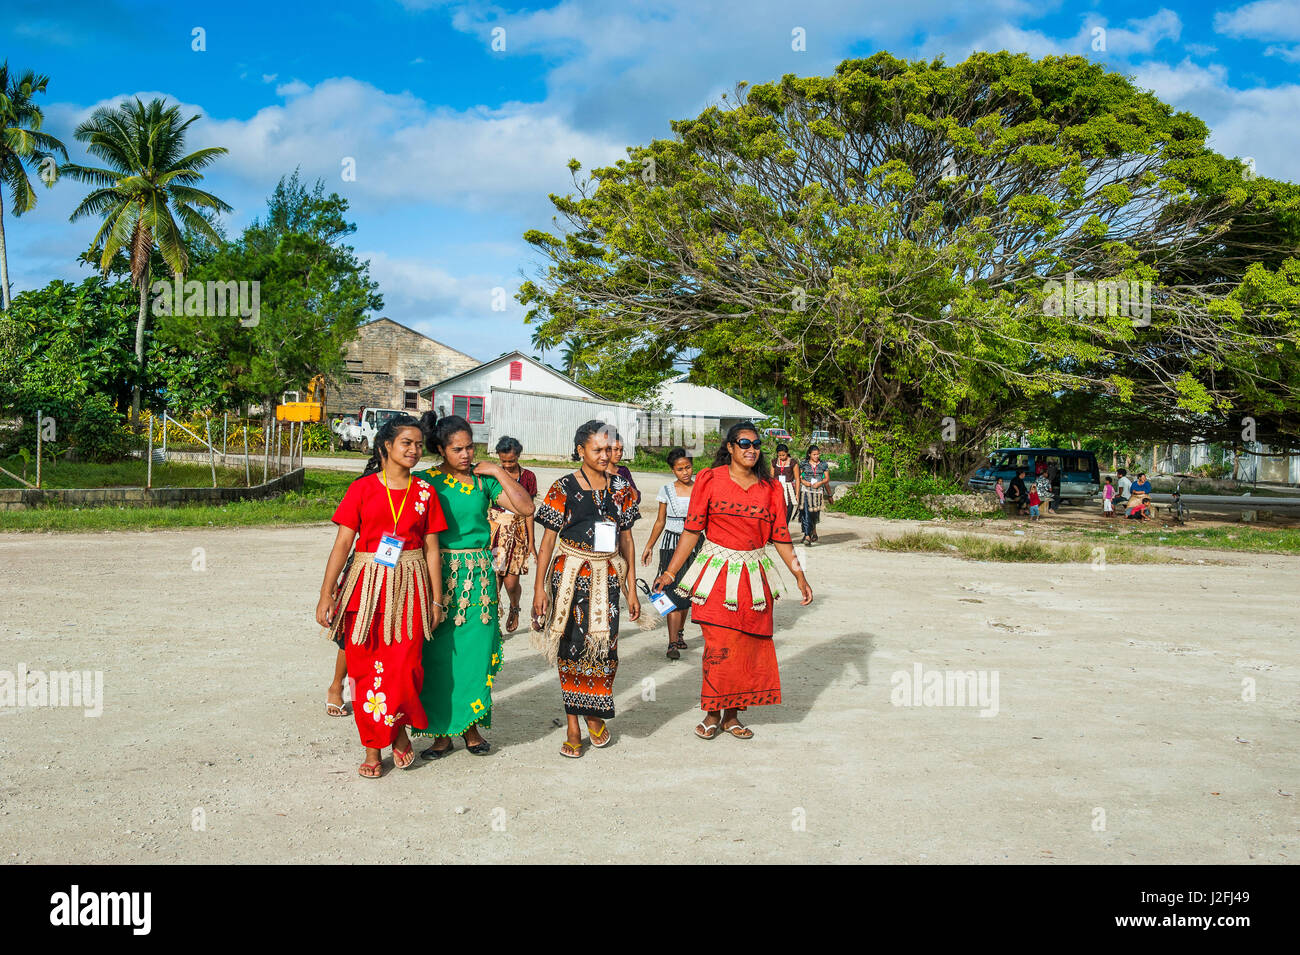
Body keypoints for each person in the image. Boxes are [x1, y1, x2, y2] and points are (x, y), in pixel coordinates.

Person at [655, 422, 813, 741]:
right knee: (718, 645)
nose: (751, 449)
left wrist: (799, 574)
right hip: (715, 575)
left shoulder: (770, 489)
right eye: (743, 443)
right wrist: (670, 572)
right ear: (729, 447)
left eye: (755, 445)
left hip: (754, 579)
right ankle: (712, 712)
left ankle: (732, 716)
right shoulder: (710, 480)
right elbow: (692, 529)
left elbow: (781, 537)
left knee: (746, 648)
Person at [315, 415, 446, 778]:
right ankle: (374, 749)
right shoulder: (362, 489)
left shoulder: (425, 493)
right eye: (407, 442)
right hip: (366, 587)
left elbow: (432, 549)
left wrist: (437, 599)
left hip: (410, 587)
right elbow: (343, 543)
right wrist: (327, 594)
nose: (415, 450)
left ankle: (400, 732)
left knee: (406, 668)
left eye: (419, 444)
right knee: (365, 670)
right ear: (385, 446)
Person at [411, 415, 534, 759]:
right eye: (457, 449)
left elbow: (526, 508)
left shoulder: (483, 482)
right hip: (437, 573)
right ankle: (439, 733)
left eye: (470, 447)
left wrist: (497, 472)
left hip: (478, 577)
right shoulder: (426, 481)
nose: (466, 454)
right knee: (437, 655)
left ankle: (471, 728)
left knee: (474, 656)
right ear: (440, 449)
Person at [532, 420, 641, 758]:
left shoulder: (621, 488)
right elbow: (548, 541)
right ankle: (574, 725)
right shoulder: (563, 487)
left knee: (604, 651)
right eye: (598, 449)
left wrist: (631, 589)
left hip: (607, 578)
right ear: (581, 450)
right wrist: (539, 588)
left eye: (610, 449)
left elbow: (626, 539)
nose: (606, 455)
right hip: (569, 578)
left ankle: (594, 713)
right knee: (570, 651)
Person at [639, 447, 696, 660]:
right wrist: (649, 546)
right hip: (671, 544)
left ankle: (680, 633)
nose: (685, 472)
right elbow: (660, 521)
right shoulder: (666, 490)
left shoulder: (700, 486)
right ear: (672, 470)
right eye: (680, 469)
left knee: (687, 590)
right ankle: (672, 642)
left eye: (688, 467)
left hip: (695, 545)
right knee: (671, 590)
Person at [488, 435, 538, 634]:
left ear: (518, 456)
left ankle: (514, 607)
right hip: (497, 533)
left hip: (518, 533)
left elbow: (529, 511)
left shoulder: (528, 477)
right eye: (503, 461)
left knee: (511, 582)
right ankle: (493, 621)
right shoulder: (492, 475)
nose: (507, 465)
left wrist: (531, 541)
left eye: (511, 461)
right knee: (495, 579)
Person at [798, 445, 831, 545]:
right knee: (806, 512)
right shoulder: (804, 464)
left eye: (818, 454)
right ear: (809, 454)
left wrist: (820, 484)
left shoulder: (823, 465)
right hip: (806, 492)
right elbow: (799, 477)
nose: (816, 456)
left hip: (817, 493)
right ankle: (807, 536)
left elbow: (826, 479)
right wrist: (804, 482)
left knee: (814, 514)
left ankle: (811, 532)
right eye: (814, 454)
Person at [608, 434, 641, 504]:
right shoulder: (598, 472)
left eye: (621, 450)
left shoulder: (623, 471)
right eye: (616, 449)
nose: (619, 453)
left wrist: (623, 480)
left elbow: (637, 499)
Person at [772, 443, 799, 525]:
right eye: (779, 455)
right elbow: (771, 477)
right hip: (777, 489)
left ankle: (785, 529)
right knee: (777, 512)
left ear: (787, 453)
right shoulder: (774, 462)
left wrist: (797, 494)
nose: (781, 457)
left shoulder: (793, 463)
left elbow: (797, 478)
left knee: (788, 511)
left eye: (783, 455)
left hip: (789, 489)